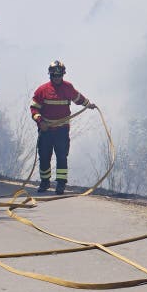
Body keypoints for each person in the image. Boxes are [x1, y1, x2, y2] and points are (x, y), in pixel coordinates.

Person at [30, 60, 96, 194]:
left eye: (59, 75)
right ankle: (45, 182)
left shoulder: (68, 88)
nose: (57, 78)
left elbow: (78, 98)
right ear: (50, 75)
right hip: (46, 130)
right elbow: (34, 108)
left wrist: (88, 104)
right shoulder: (42, 90)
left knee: (61, 156)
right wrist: (40, 122)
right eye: (54, 75)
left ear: (63, 74)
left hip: (61, 130)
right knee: (44, 156)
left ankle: (61, 184)